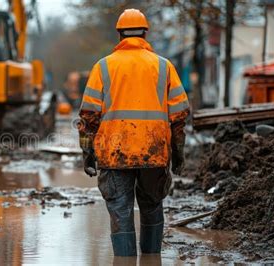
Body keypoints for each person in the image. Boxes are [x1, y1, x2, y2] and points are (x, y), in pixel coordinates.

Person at [77, 9, 190, 257]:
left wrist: (87, 153)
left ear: (119, 34)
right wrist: (178, 154)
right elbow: (179, 116)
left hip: (115, 153)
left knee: (120, 211)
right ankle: (152, 259)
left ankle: (124, 261)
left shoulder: (103, 67)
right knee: (151, 207)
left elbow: (88, 117)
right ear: (145, 33)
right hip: (155, 152)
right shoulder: (164, 66)